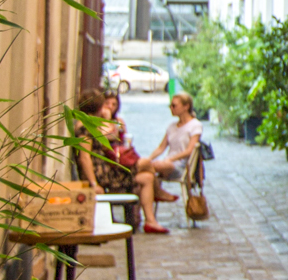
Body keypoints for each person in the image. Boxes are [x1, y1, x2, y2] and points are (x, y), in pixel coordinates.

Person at [133, 92, 202, 234]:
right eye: (170, 105)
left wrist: (171, 158)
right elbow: (161, 147)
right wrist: (149, 158)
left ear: (186, 106)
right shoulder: (172, 126)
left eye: (174, 105)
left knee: (151, 166)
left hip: (182, 165)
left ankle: (157, 191)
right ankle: (158, 192)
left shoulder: (195, 125)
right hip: (166, 163)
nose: (171, 108)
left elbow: (190, 150)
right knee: (147, 167)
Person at [74, 88, 133, 197]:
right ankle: (136, 212)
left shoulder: (90, 124)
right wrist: (94, 184)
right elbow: (85, 157)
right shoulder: (85, 127)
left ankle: (136, 213)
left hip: (103, 169)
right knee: (138, 175)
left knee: (144, 176)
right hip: (100, 173)